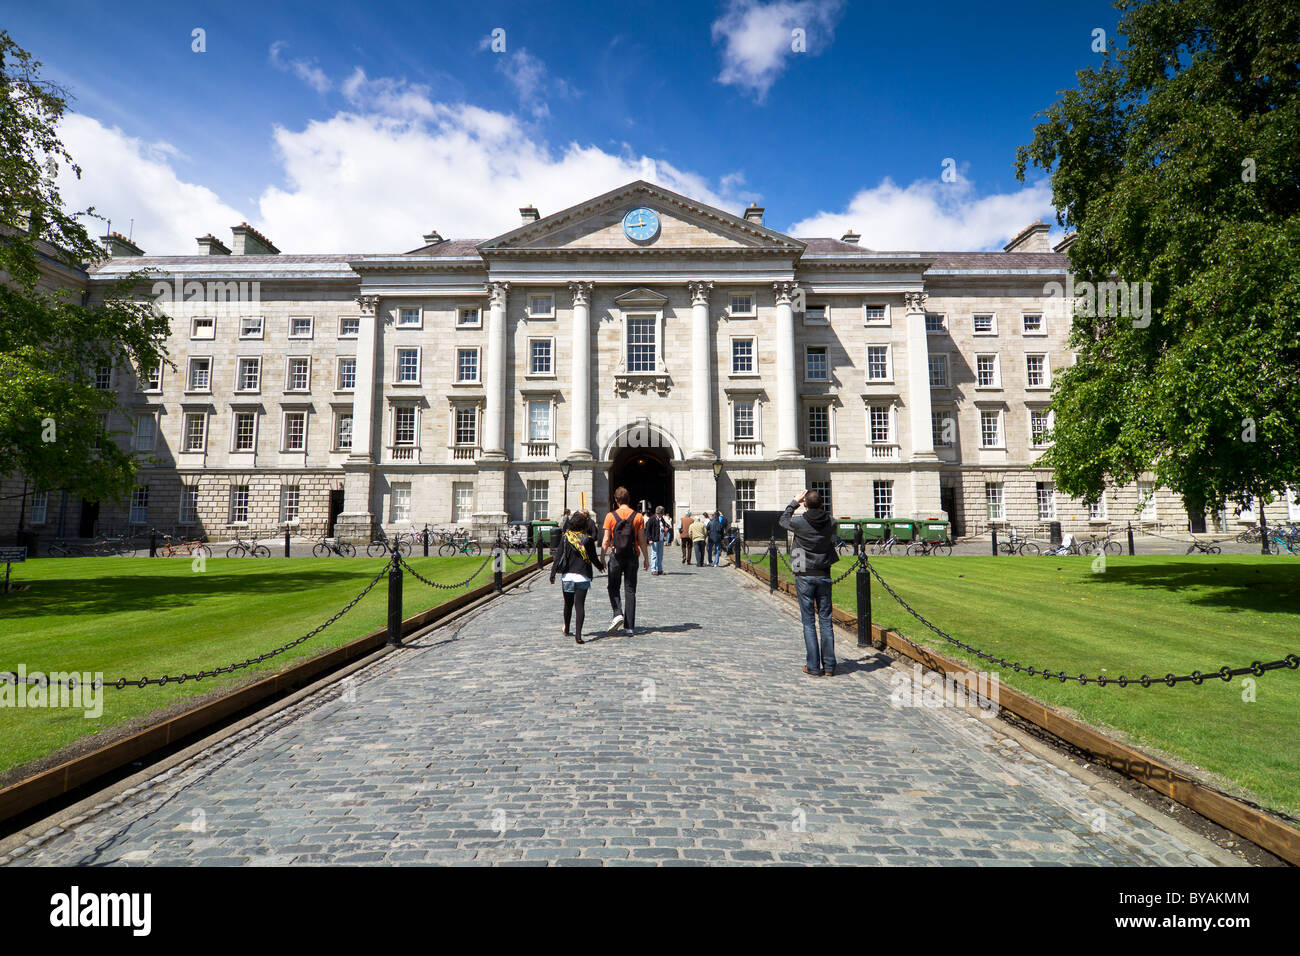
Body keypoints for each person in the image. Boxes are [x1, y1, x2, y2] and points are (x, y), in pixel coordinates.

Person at [780, 489, 839, 677]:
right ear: (822, 504)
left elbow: (783, 520)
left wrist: (794, 502)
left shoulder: (799, 522)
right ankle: (829, 666)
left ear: (805, 504)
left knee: (808, 622)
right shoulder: (832, 522)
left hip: (804, 573)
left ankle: (813, 666)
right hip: (823, 573)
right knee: (826, 621)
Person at [549, 511, 605, 644]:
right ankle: (578, 636)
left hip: (568, 576)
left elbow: (558, 558)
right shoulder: (588, 540)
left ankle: (567, 628)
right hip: (582, 576)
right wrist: (600, 566)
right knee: (579, 606)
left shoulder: (565, 538)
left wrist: (552, 574)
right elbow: (592, 558)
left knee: (568, 605)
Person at [602, 486, 647, 633]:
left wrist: (602, 557)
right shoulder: (638, 516)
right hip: (632, 555)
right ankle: (629, 627)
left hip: (616, 555)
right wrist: (646, 558)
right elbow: (641, 540)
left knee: (613, 586)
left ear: (616, 500)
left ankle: (617, 613)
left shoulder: (610, 516)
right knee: (630, 590)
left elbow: (606, 539)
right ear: (629, 499)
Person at [646, 504, 672, 574]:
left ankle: (660, 569)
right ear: (660, 513)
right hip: (654, 539)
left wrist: (666, 528)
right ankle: (653, 569)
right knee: (654, 555)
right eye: (663, 512)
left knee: (660, 555)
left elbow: (666, 525)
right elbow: (648, 530)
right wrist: (649, 539)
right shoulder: (652, 519)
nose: (663, 513)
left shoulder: (661, 519)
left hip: (661, 539)